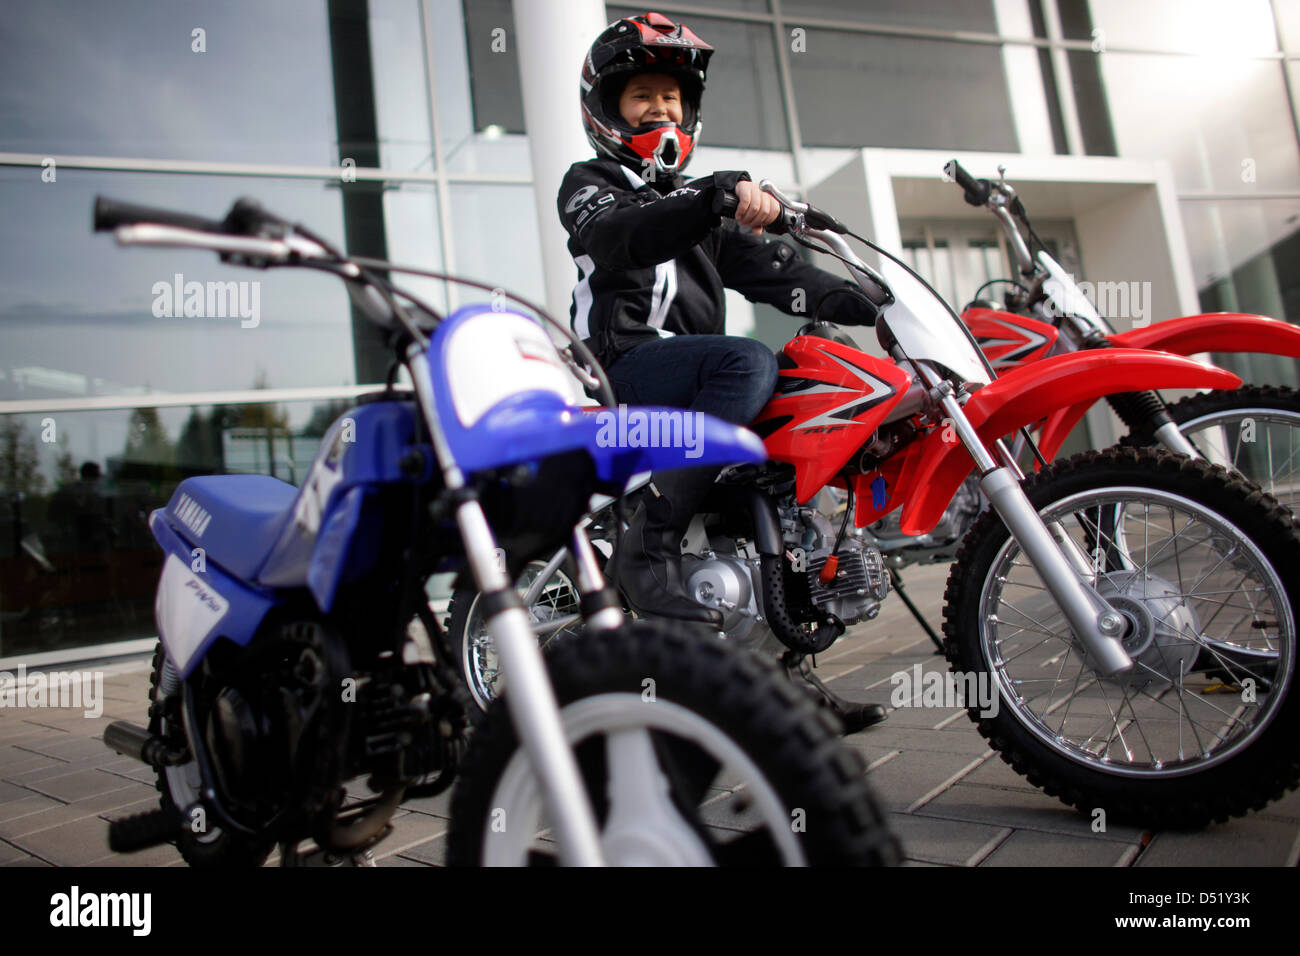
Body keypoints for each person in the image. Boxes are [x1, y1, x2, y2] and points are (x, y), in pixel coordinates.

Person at [559, 12, 887, 730]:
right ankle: (647, 547)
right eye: (644, 94)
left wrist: (877, 304)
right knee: (747, 359)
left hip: (693, 385)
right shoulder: (591, 185)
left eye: (673, 98)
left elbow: (779, 274)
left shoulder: (704, 216)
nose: (662, 109)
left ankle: (786, 665)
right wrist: (709, 195)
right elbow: (620, 238)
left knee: (807, 388)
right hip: (623, 374)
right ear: (607, 108)